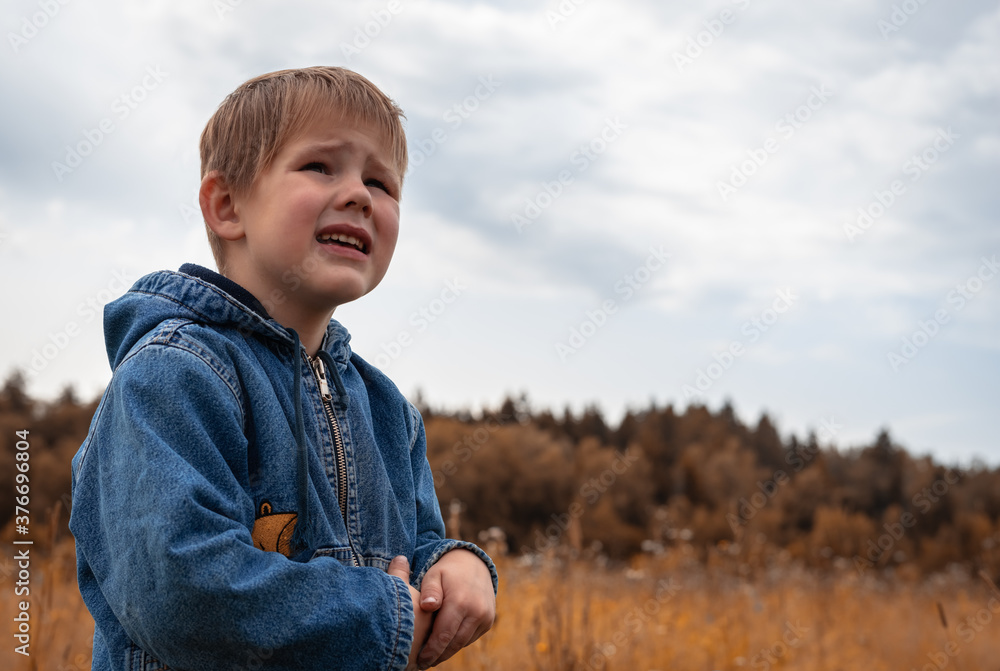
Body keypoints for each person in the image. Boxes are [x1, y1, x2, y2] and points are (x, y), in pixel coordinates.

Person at [70, 66, 497, 671]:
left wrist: (459, 566)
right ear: (226, 206)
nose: (358, 194)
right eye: (321, 167)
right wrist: (388, 616)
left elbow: (418, 551)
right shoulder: (173, 377)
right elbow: (186, 596)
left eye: (381, 181)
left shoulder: (385, 409)